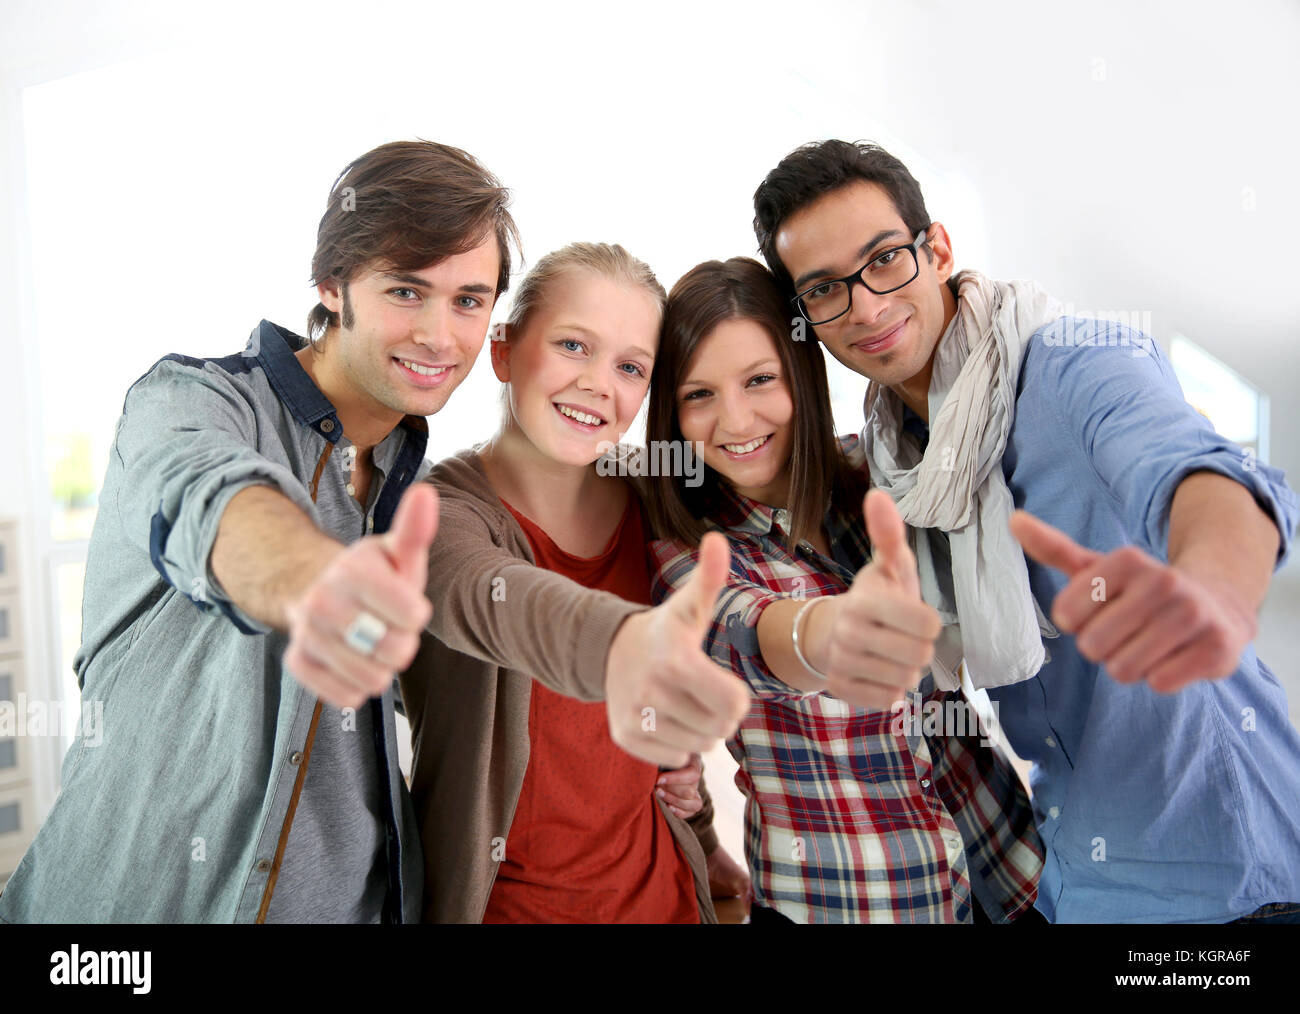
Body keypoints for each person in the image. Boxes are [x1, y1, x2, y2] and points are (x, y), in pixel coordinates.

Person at [751, 139, 1300, 923]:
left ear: (936, 248)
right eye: (826, 290)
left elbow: (1202, 472)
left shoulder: (1077, 365)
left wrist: (1209, 593)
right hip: (1075, 876)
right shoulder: (893, 455)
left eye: (883, 261)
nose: (867, 307)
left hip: (1230, 886)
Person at [0, 140, 519, 923]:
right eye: (407, 291)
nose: (442, 337)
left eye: (469, 300)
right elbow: (218, 503)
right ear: (333, 285)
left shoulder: (422, 488)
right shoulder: (190, 401)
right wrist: (317, 581)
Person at [644, 256, 1044, 923]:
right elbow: (754, 633)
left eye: (760, 380)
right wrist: (830, 632)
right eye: (699, 395)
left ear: (800, 374)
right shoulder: (685, 555)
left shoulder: (876, 475)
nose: (736, 421)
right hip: (847, 903)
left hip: (1007, 867)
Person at [398, 243, 750, 923]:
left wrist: (702, 835)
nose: (598, 384)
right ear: (502, 351)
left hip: (665, 899)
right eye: (572, 346)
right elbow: (499, 600)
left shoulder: (652, 499)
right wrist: (625, 644)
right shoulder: (437, 516)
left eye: (629, 367)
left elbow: (655, 718)